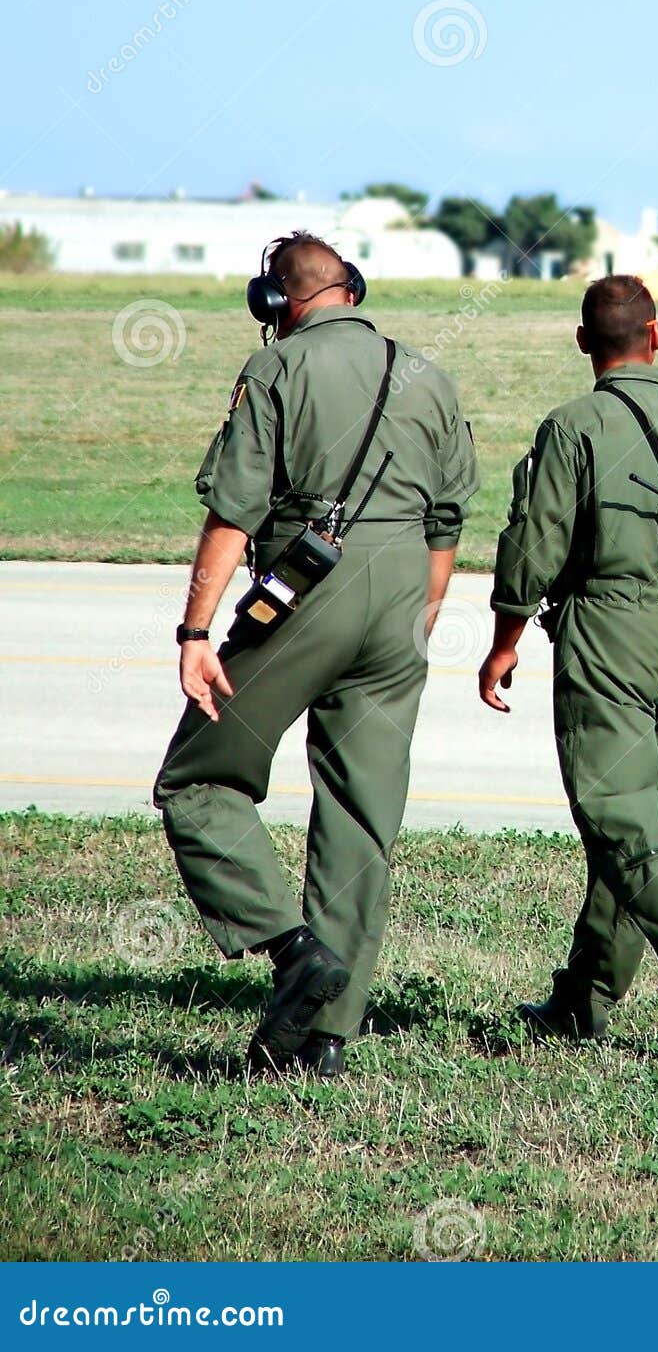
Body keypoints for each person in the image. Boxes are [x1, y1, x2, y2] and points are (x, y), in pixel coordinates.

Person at [154, 232, 478, 1078]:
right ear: (353, 289)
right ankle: (326, 1037)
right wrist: (418, 621)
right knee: (361, 812)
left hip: (306, 584)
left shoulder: (274, 371)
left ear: (279, 302)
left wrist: (196, 633)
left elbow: (233, 510)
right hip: (407, 592)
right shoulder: (427, 374)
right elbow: (448, 522)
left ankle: (293, 949)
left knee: (196, 780)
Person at [477, 274, 658, 1049]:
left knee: (620, 824)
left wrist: (504, 642)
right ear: (656, 336)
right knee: (641, 834)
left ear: (583, 343)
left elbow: (534, 549)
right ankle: (582, 1001)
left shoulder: (572, 428)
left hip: (608, 634)